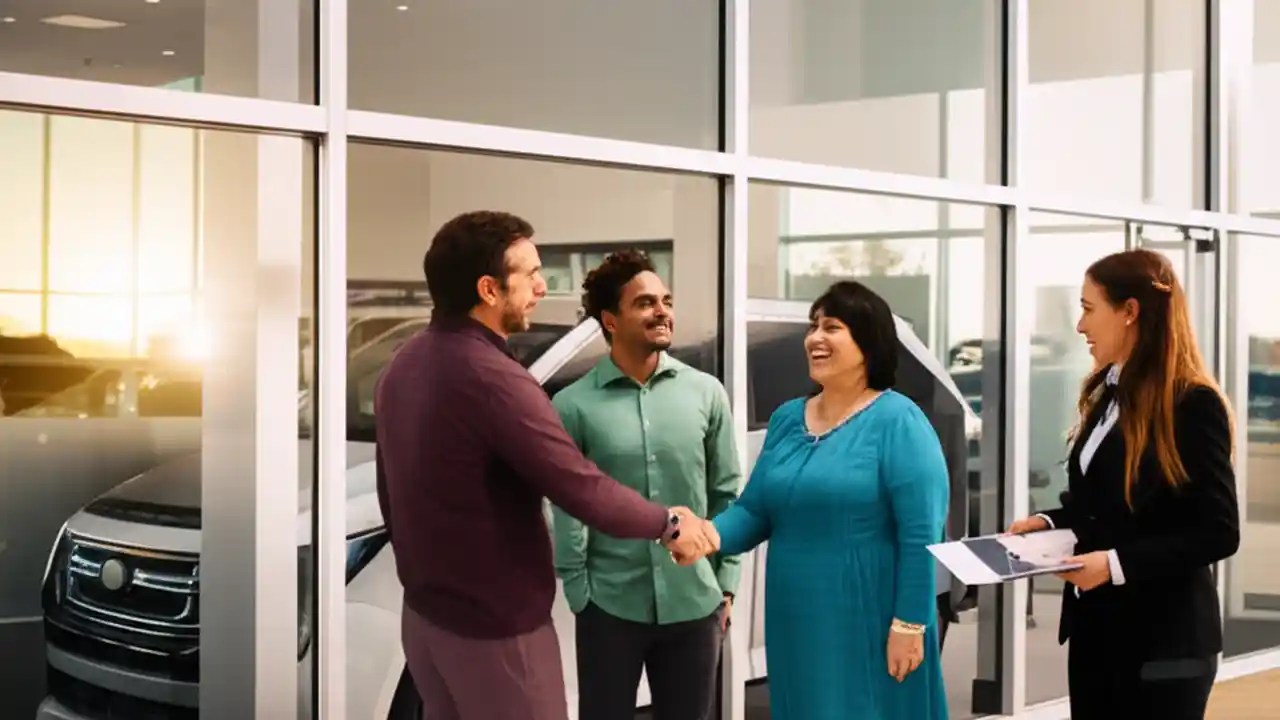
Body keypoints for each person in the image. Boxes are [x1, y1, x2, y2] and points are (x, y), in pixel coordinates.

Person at [374, 211, 720, 720]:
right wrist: (668, 523)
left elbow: (390, 489)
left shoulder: (406, 362)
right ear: (489, 289)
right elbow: (579, 487)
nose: (542, 286)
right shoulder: (495, 380)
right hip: (495, 635)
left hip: (427, 622)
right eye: (531, 274)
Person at [680, 280, 950, 720]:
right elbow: (755, 510)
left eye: (832, 327)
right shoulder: (789, 418)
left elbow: (921, 533)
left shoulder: (900, 421)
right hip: (798, 616)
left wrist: (910, 624)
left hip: (870, 616)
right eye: (813, 327)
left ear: (868, 341)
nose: (815, 338)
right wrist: (707, 534)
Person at [1007, 249, 1239, 719]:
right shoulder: (1107, 393)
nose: (1080, 326)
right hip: (1098, 633)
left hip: (1163, 646)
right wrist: (1048, 522)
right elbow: (1102, 505)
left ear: (1130, 312)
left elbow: (1218, 530)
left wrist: (1113, 565)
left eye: (1089, 309)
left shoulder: (1192, 403)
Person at [550, 250, 742, 720]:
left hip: (695, 604)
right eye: (645, 303)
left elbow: (727, 492)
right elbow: (568, 503)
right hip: (609, 607)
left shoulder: (706, 393)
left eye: (667, 300)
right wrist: (579, 589)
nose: (662, 311)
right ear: (610, 320)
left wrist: (726, 582)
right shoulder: (573, 405)